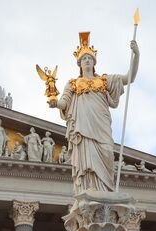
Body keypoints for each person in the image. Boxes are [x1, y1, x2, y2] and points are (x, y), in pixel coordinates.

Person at [53, 32, 139, 194]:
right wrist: (55, 103)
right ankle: (89, 191)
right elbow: (64, 102)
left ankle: (106, 192)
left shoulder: (105, 81)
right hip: (83, 129)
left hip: (101, 127)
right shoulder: (73, 84)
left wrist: (136, 54)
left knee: (107, 152)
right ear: (79, 64)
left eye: (89, 58)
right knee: (87, 163)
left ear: (94, 63)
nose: (87, 60)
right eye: (84, 59)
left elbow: (129, 78)